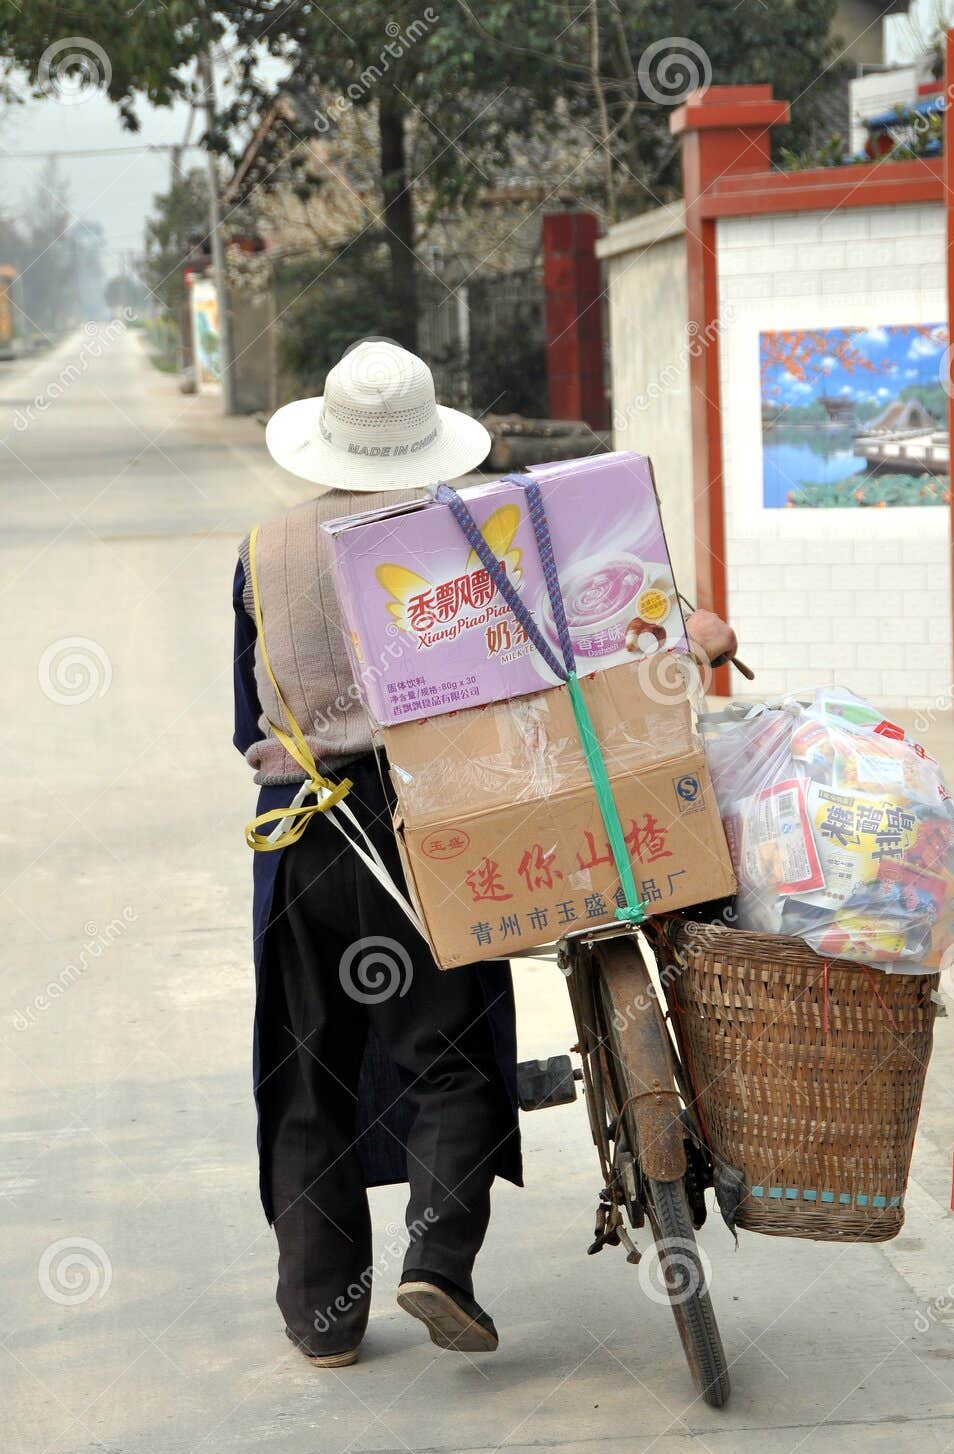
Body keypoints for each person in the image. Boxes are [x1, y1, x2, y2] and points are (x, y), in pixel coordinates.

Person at [233, 340, 737, 1369]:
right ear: (429, 440)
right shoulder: (473, 535)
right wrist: (694, 639)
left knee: (307, 1072)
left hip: (304, 842)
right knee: (449, 1052)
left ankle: (322, 1318)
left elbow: (241, 715)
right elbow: (587, 645)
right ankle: (439, 1258)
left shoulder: (262, 548)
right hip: (441, 829)